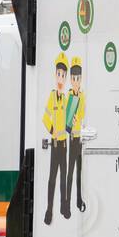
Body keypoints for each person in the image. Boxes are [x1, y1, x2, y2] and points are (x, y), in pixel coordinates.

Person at [41, 55, 70, 224]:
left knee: (63, 177)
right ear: (55, 75)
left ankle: (64, 206)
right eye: (58, 74)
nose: (60, 78)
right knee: (52, 178)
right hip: (55, 143)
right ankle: (49, 210)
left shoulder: (66, 100)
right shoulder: (52, 97)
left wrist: (69, 126)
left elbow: (68, 123)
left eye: (63, 75)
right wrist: (53, 131)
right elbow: (45, 117)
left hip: (64, 144)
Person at [64, 59, 86, 214]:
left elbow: (82, 113)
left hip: (80, 139)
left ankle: (78, 200)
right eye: (73, 78)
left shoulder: (82, 96)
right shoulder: (69, 96)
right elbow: (67, 118)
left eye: (78, 78)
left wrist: (76, 119)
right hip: (72, 138)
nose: (76, 81)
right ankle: (67, 203)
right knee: (70, 171)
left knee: (79, 172)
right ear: (71, 79)